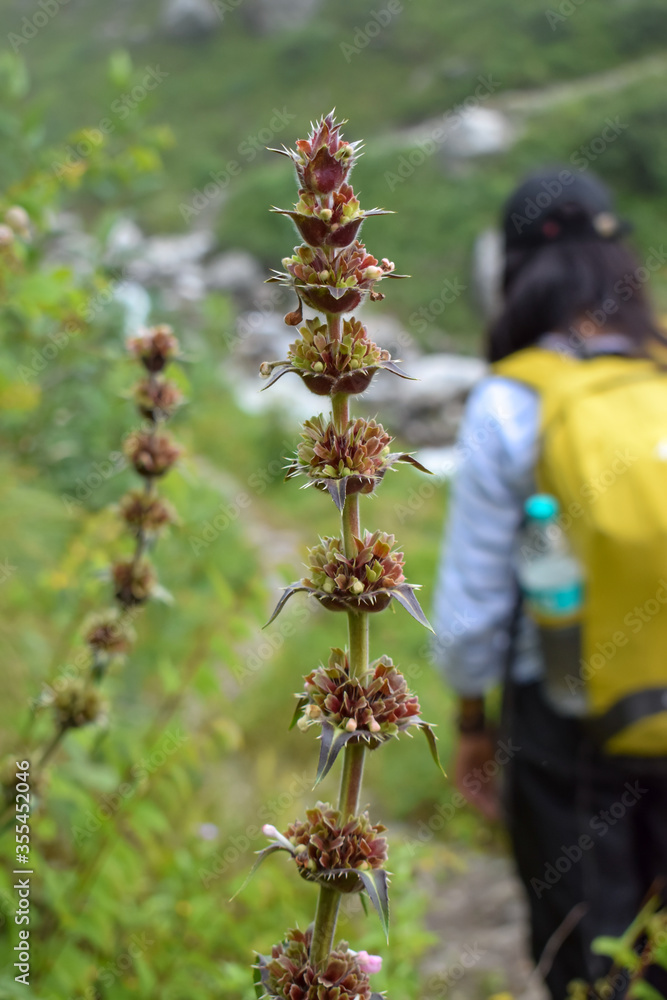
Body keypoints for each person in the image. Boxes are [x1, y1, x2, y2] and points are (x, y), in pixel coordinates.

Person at [433, 167, 667, 1000]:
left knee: (589, 953)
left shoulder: (509, 400)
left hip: (567, 715)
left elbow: (471, 611)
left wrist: (469, 721)